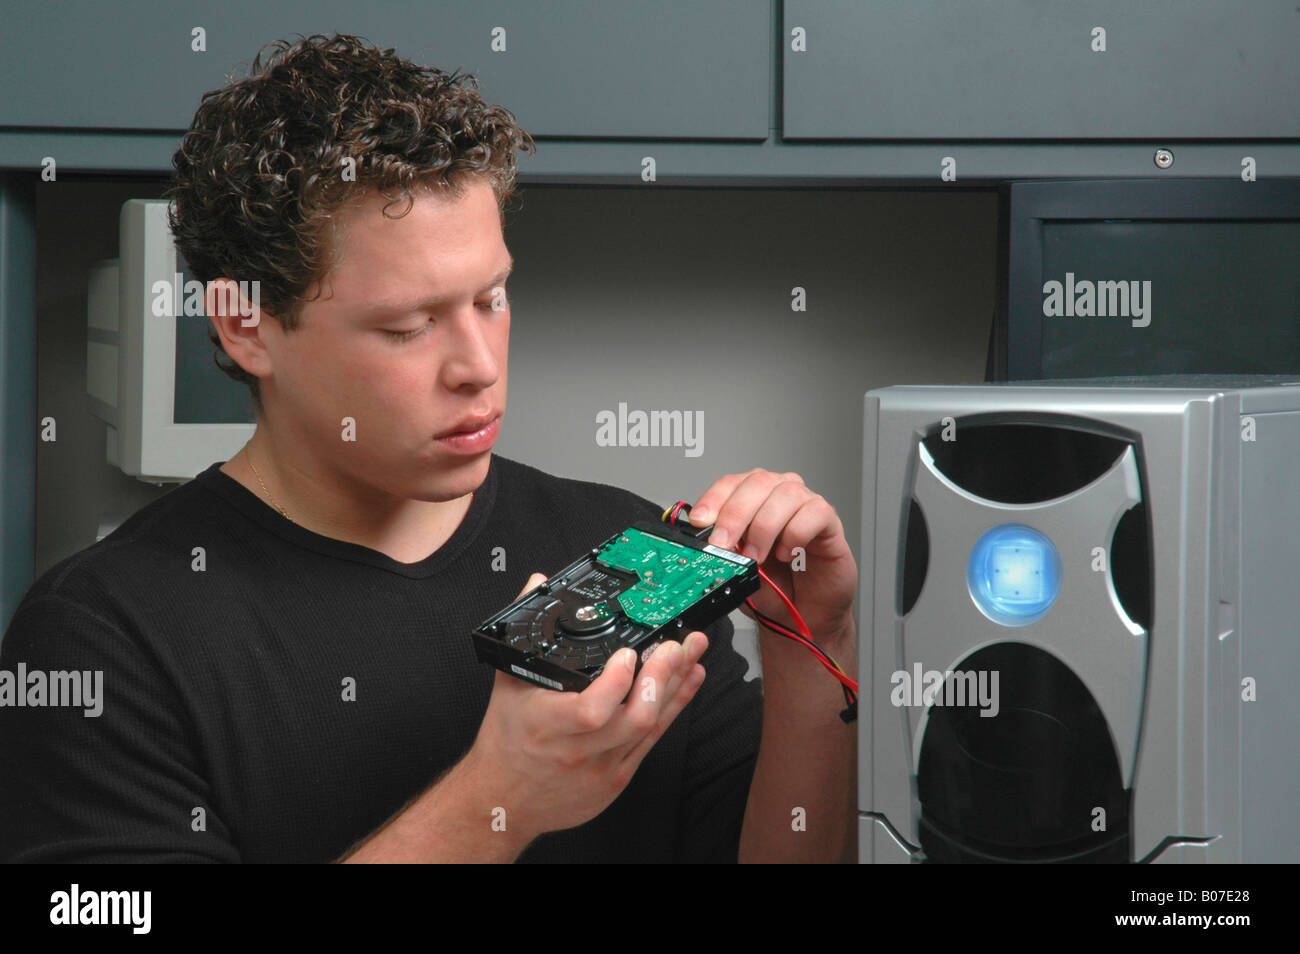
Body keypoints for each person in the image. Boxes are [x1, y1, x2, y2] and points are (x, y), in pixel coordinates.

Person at [0, 33, 857, 863]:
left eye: (491, 299)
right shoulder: (98, 641)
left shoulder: (619, 553)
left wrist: (813, 653)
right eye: (408, 327)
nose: (479, 369)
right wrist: (502, 800)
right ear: (246, 325)